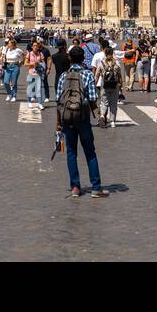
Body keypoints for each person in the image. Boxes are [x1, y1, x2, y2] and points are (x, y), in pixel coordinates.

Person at [56, 45, 107, 198]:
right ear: (83, 58)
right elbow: (92, 98)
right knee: (90, 152)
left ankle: (75, 187)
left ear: (70, 59)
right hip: (83, 118)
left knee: (71, 153)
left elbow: (58, 101)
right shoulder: (87, 75)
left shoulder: (63, 76)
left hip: (67, 119)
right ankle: (96, 188)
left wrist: (58, 123)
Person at [96, 46, 122, 127]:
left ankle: (102, 116)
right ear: (112, 53)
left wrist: (95, 84)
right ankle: (112, 122)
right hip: (115, 85)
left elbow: (97, 75)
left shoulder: (101, 63)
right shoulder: (117, 63)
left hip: (104, 85)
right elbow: (119, 76)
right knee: (113, 103)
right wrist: (121, 86)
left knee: (104, 102)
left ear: (105, 53)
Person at [25, 39, 45, 106]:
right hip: (31, 73)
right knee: (30, 88)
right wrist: (33, 64)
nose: (35, 47)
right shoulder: (29, 54)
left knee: (38, 89)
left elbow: (43, 62)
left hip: (38, 73)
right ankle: (29, 102)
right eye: (34, 46)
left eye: (37, 46)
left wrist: (40, 64)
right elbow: (25, 63)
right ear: (32, 47)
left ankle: (40, 103)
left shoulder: (40, 54)